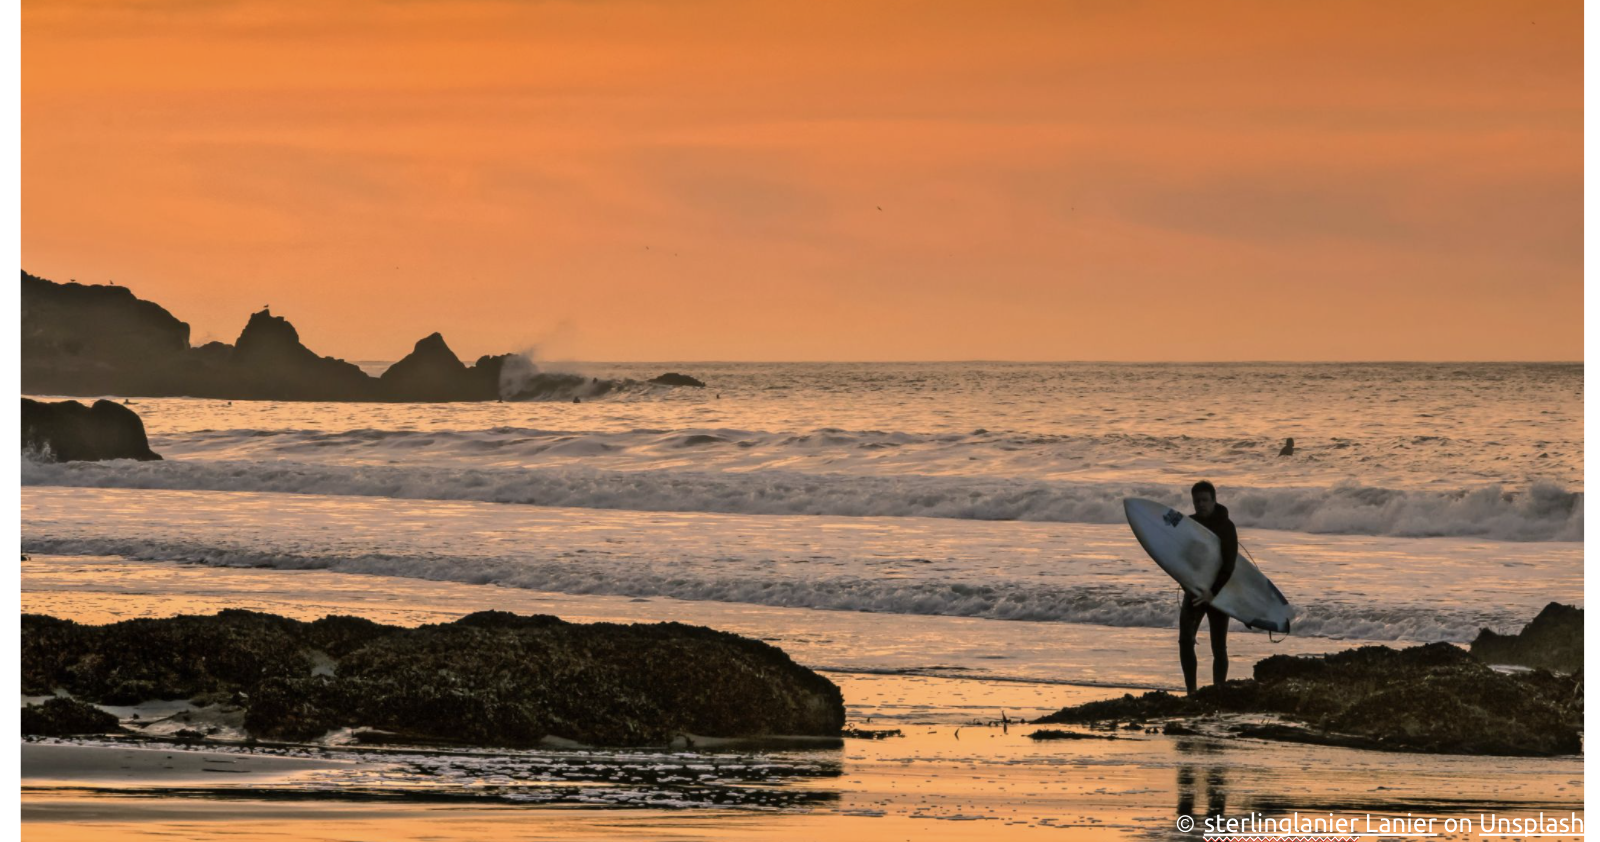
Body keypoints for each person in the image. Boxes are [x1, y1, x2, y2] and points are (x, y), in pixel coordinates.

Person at [1179, 480, 1237, 693]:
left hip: (1218, 593)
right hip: (1194, 591)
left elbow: (1229, 565)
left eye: (1205, 500)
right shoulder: (1189, 524)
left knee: (1219, 647)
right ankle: (1191, 691)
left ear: (1214, 501)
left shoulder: (1226, 526)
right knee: (1185, 641)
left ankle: (1218, 690)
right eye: (1197, 501)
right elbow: (1180, 558)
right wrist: (1187, 584)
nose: (1200, 504)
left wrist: (1212, 592)